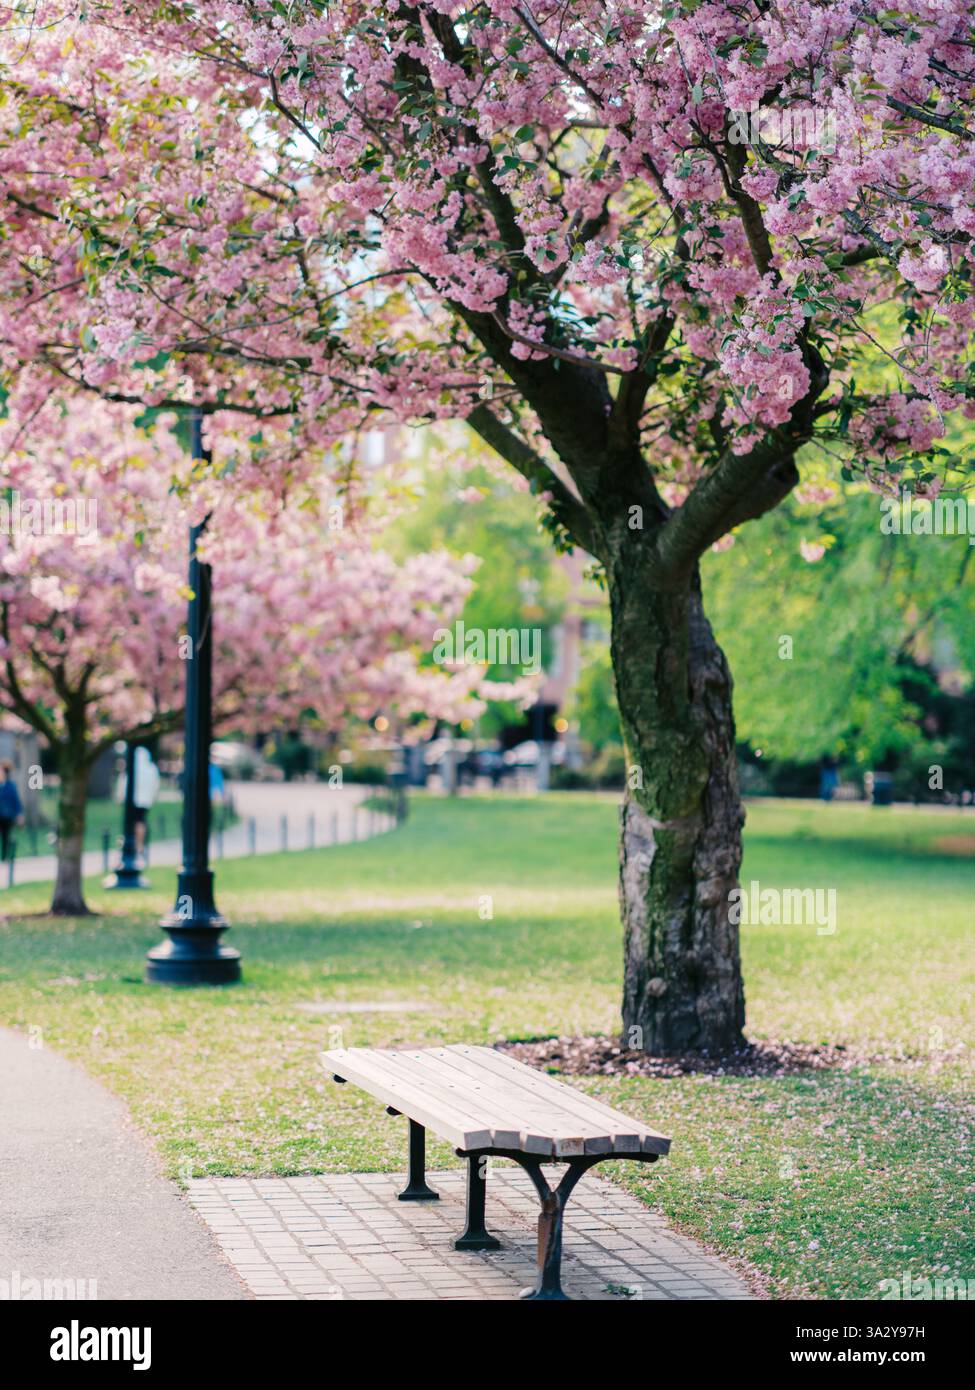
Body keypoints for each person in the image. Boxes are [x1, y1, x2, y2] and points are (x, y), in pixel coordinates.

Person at [121, 746, 160, 865]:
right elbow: (156, 785)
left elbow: (124, 783)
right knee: (140, 822)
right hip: (145, 800)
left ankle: (136, 845)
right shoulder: (151, 768)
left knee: (135, 822)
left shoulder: (133, 767)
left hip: (134, 800)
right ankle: (139, 845)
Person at [0, 761, 24, 863]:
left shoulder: (10, 786)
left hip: (6, 816)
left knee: (6, 837)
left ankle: (5, 857)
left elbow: (16, 801)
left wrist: (20, 815)